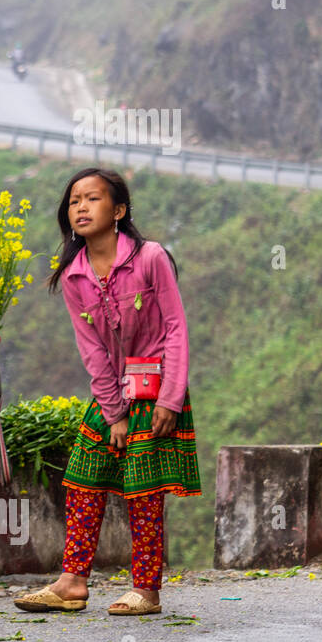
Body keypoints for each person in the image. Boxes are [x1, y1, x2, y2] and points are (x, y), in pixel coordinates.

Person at [16, 168, 200, 616]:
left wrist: (170, 399)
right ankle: (72, 582)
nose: (80, 207)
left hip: (157, 386)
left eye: (92, 199)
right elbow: (93, 349)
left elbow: (175, 327)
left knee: (143, 489)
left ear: (118, 211)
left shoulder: (151, 257)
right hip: (112, 392)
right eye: (74, 200)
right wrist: (113, 411)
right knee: (83, 475)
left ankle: (146, 589)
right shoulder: (74, 274)